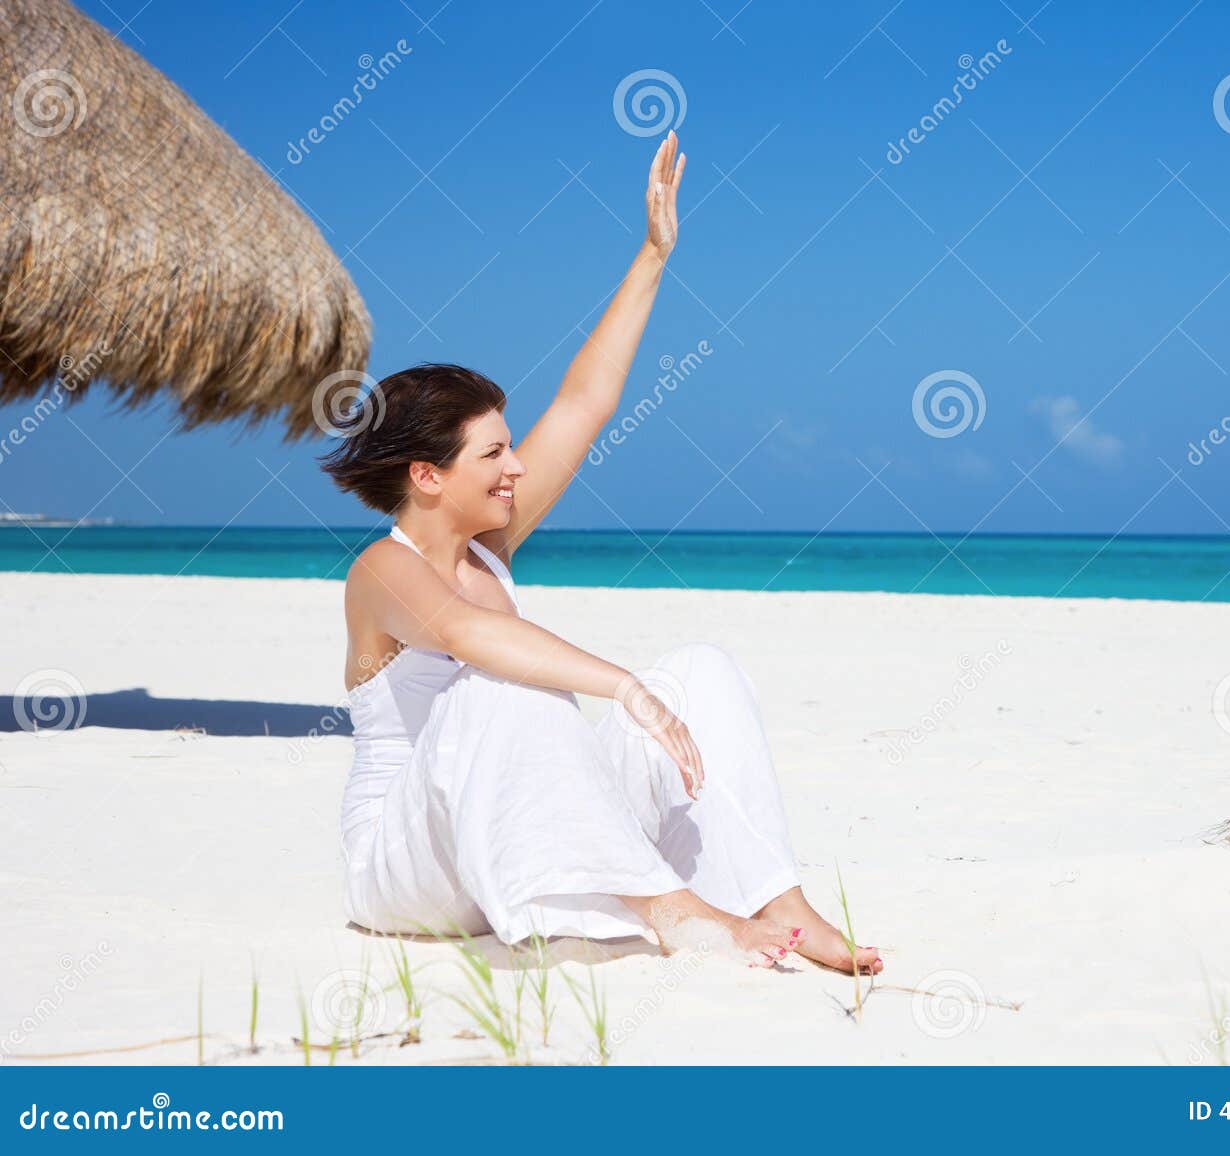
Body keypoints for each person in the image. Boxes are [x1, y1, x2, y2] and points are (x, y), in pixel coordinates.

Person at [317, 131, 884, 976]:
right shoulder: (380, 571)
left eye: (513, 448)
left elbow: (585, 400)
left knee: (697, 671)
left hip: (519, 827)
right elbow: (469, 638)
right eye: (494, 455)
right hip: (408, 866)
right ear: (427, 476)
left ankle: (778, 898)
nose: (516, 468)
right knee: (505, 687)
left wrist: (655, 253)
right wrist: (621, 687)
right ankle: (674, 910)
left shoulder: (492, 541)